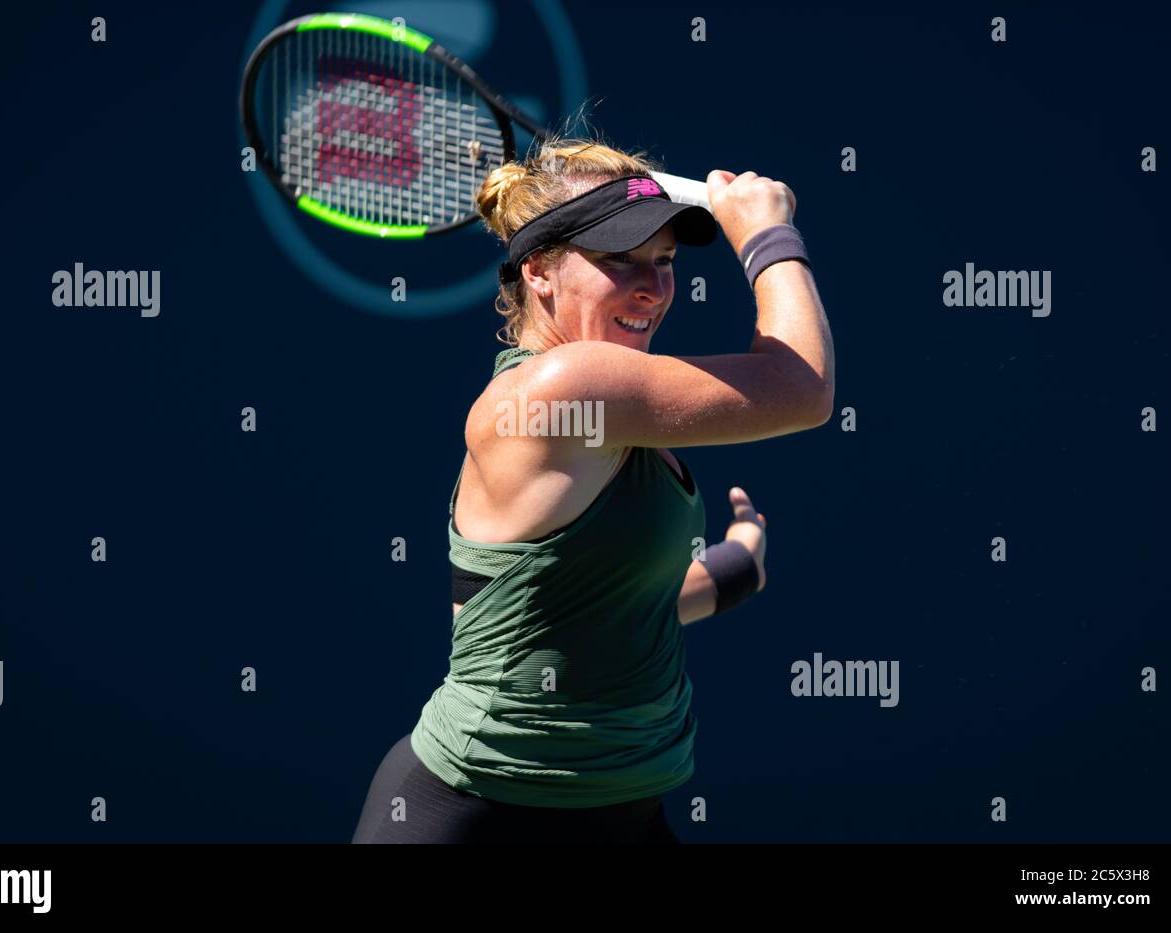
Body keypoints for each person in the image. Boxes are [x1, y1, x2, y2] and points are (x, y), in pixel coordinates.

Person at [351, 136, 834, 844]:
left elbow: (585, 607)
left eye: (665, 261)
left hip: (627, 811)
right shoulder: (563, 388)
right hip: (475, 816)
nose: (652, 285)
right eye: (619, 261)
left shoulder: (608, 402)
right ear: (538, 269)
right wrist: (766, 233)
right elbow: (804, 389)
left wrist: (728, 573)